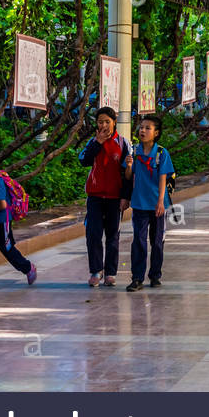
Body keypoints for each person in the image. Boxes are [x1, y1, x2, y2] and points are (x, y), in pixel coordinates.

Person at [79, 107, 130, 288]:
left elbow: (127, 173)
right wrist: (98, 143)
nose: (104, 125)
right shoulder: (92, 142)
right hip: (95, 196)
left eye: (107, 121)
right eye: (100, 122)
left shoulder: (122, 143)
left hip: (115, 197)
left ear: (114, 122)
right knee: (93, 234)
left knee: (112, 236)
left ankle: (110, 273)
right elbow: (83, 160)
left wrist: (125, 197)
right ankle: (96, 271)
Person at [125, 114, 174, 292]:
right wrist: (128, 166)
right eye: (141, 127)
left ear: (156, 133)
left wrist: (160, 201)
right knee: (138, 241)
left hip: (157, 204)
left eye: (148, 128)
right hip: (139, 203)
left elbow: (163, 178)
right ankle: (137, 278)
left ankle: (155, 275)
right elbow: (128, 177)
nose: (143, 131)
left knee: (157, 241)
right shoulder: (134, 151)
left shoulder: (161, 153)